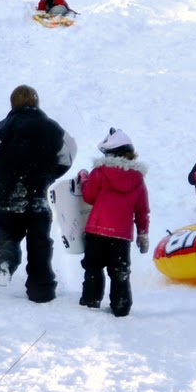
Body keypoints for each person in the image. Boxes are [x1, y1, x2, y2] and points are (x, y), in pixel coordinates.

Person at [0, 85, 77, 302]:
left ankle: (5, 260)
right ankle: (42, 289)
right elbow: (69, 152)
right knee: (39, 242)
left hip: (7, 195)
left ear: (12, 103)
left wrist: (1, 162)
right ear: (37, 103)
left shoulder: (5, 126)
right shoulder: (53, 128)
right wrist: (52, 172)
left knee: (7, 232)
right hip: (39, 196)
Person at [78, 129, 149, 317]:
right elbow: (142, 210)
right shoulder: (138, 179)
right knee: (120, 272)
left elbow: (89, 196)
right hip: (122, 236)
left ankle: (90, 301)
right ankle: (121, 306)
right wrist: (143, 234)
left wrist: (84, 178)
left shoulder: (100, 172)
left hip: (97, 231)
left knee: (93, 268)